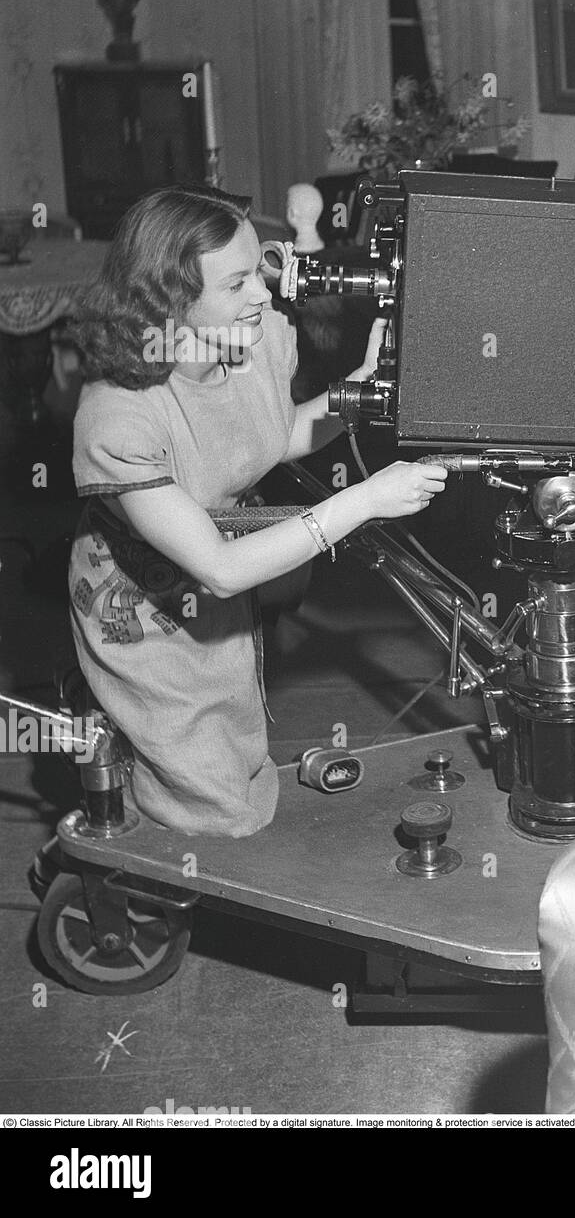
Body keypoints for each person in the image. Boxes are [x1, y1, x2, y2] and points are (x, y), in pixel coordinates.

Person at [68, 185, 447, 836]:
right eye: (238, 282)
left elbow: (272, 437)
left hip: (219, 588)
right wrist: (365, 500)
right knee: (197, 800)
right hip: (141, 605)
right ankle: (111, 795)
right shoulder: (116, 417)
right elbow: (218, 567)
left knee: (236, 767)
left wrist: (351, 396)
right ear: (170, 298)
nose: (264, 296)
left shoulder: (247, 342)